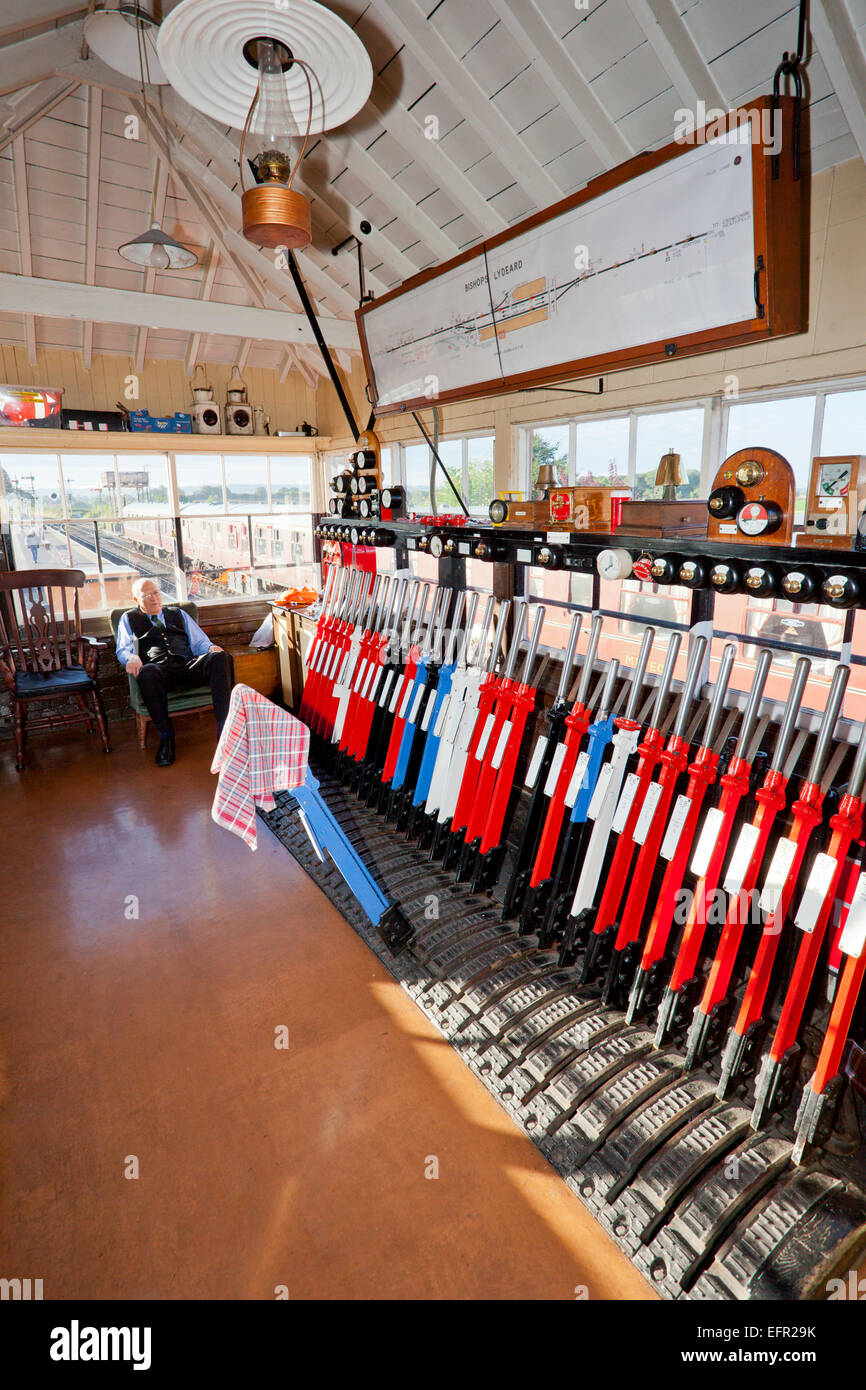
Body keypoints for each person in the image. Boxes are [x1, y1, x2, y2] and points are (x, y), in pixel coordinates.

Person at [115, 578, 232, 767]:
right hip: (160, 672)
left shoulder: (178, 614)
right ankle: (166, 739)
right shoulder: (129, 618)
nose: (154, 599)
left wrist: (211, 648)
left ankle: (225, 735)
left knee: (221, 657)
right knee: (147, 672)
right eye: (147, 595)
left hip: (187, 666)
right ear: (136, 599)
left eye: (156, 593)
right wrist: (131, 657)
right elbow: (123, 648)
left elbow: (200, 642)